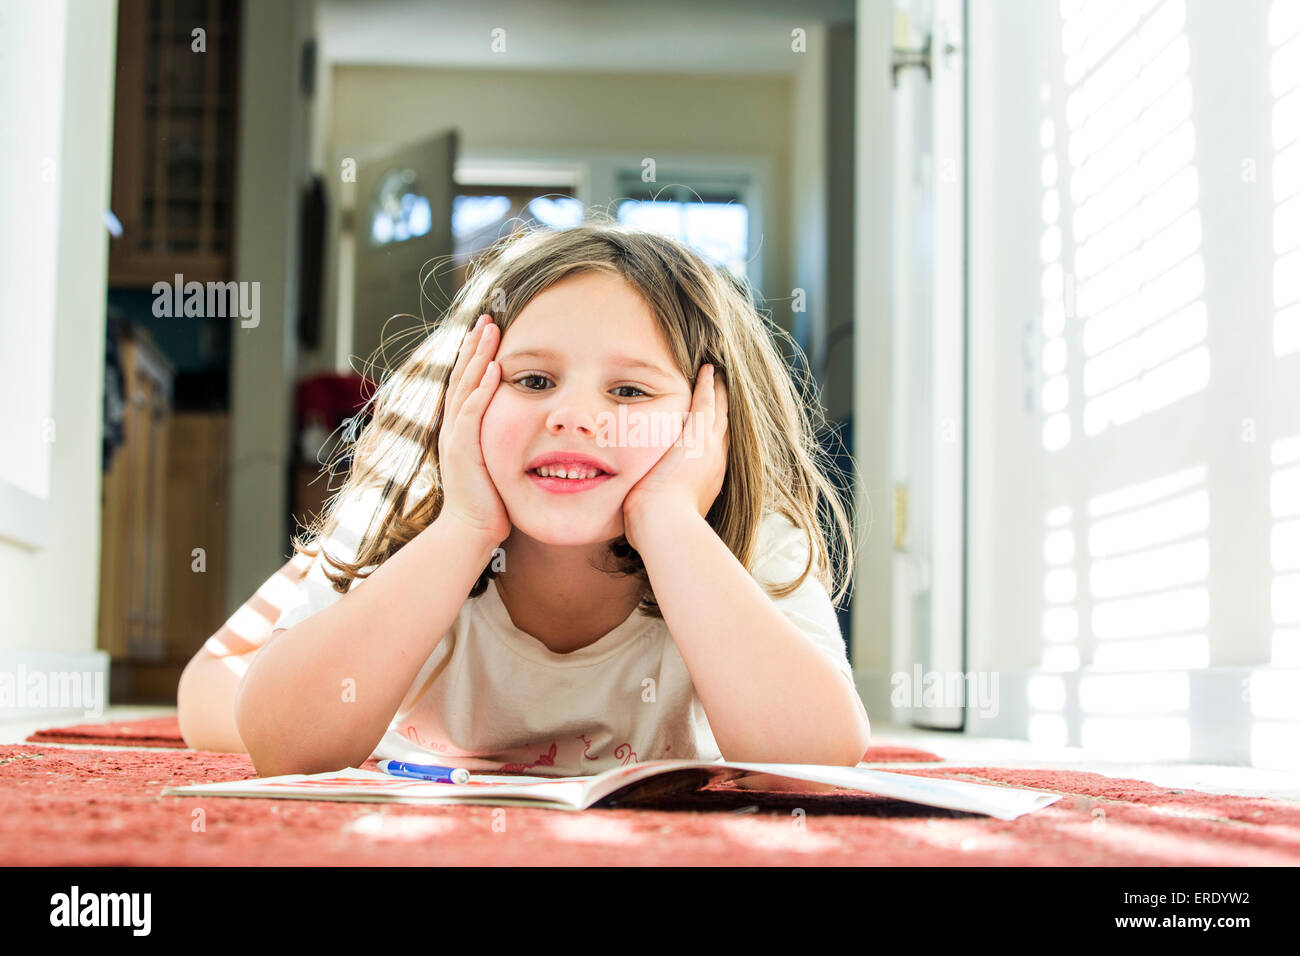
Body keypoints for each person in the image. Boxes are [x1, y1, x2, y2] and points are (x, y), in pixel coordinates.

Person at [177, 215, 870, 780]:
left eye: (628, 391)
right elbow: (283, 746)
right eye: (534, 381)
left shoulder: (746, 541)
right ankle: (308, 578)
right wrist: (467, 528)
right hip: (406, 542)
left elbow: (817, 759)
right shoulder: (412, 529)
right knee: (212, 700)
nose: (572, 416)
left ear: (708, 421)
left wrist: (669, 523)